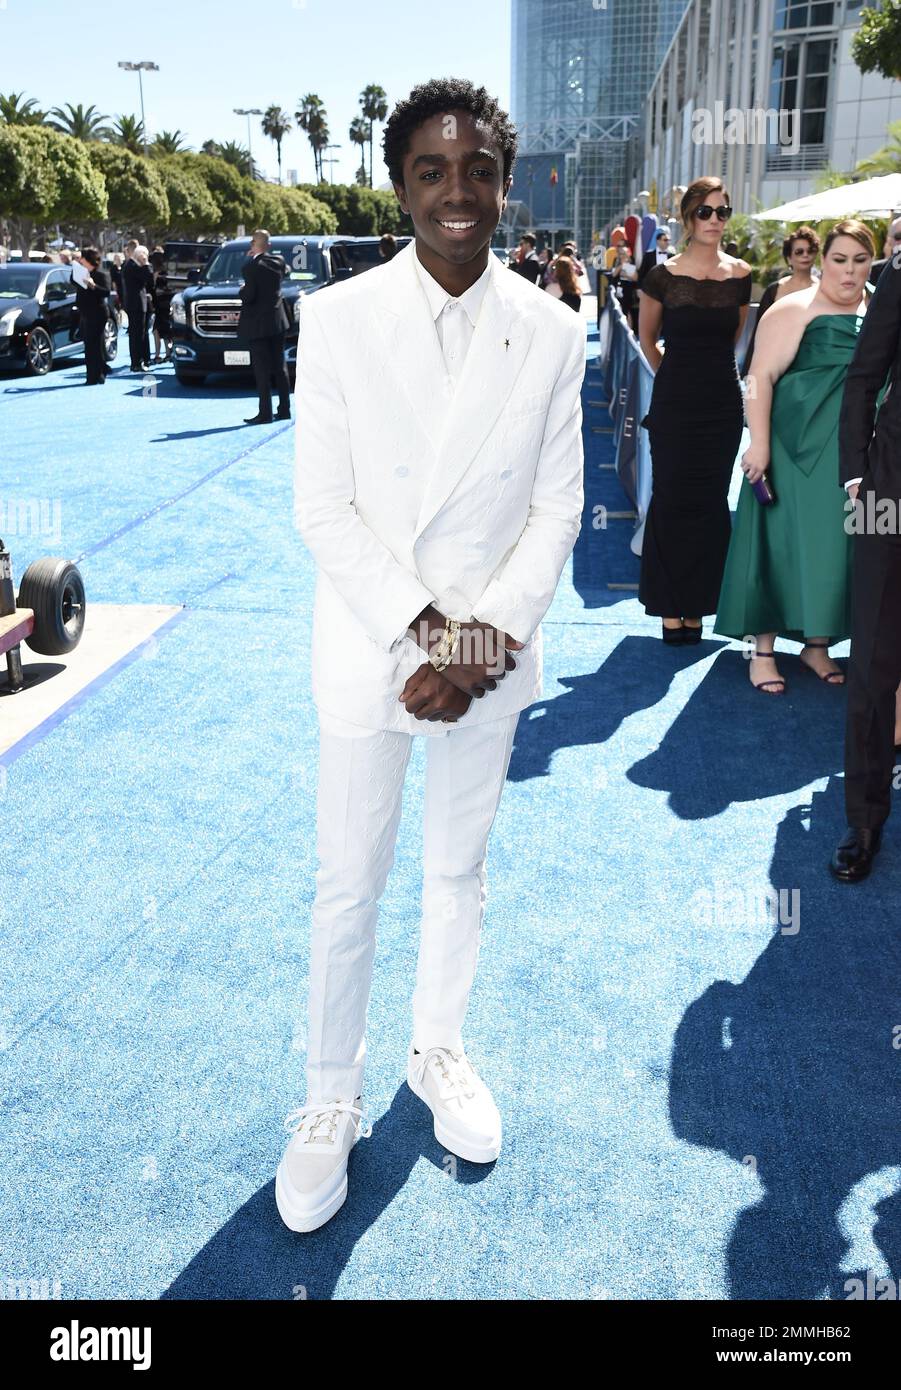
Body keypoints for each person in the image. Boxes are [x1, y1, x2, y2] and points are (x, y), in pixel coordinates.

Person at [281, 76, 584, 1233]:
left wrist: (477, 648)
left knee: (459, 874)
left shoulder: (554, 331)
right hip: (374, 654)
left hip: (489, 663)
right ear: (400, 184)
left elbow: (556, 511)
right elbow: (324, 511)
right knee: (346, 885)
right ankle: (327, 1095)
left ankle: (437, 1047)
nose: (456, 193)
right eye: (430, 171)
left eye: (477, 171)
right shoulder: (337, 319)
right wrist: (427, 635)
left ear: (506, 184)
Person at [715, 220, 875, 692]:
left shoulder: (877, 309)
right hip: (792, 449)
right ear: (822, 259)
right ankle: (761, 652)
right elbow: (759, 378)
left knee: (832, 549)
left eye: (860, 261)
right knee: (778, 544)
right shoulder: (792, 309)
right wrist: (759, 444)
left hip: (849, 455)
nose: (849, 272)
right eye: (839, 260)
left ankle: (816, 645)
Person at [637, 176, 751, 644]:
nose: (715, 220)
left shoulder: (741, 274)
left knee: (709, 503)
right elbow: (647, 340)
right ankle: (669, 606)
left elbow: (736, 341)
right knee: (671, 498)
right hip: (675, 403)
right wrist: (676, 378)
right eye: (705, 211)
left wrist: (711, 382)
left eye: (722, 211)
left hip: (723, 405)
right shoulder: (662, 275)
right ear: (687, 218)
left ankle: (699, 604)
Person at [831, 248, 901, 880]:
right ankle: (864, 819)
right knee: (873, 662)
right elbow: (863, 377)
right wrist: (856, 478)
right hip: (887, 497)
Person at [740, 226, 819, 378]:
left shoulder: (823, 289)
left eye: (810, 250)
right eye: (799, 251)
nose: (805, 255)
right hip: (776, 365)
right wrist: (749, 377)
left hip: (811, 365)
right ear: (789, 258)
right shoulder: (774, 290)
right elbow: (759, 334)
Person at [237, 228, 291, 425]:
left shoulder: (250, 268)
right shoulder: (279, 262)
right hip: (278, 321)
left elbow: (249, 295)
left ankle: (265, 413)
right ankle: (284, 409)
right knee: (280, 367)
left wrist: (241, 291)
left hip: (258, 325)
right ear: (268, 244)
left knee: (261, 370)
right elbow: (285, 272)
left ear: (253, 244)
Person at [74, 247, 112, 385]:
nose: (81, 260)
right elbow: (72, 280)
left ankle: (97, 374)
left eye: (83, 258)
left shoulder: (101, 274)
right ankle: (94, 374)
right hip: (85, 312)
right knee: (89, 344)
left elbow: (106, 292)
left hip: (98, 312)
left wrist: (93, 286)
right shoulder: (81, 272)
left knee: (94, 344)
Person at [122, 244, 154, 371]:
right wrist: (145, 263)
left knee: (141, 333)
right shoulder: (131, 266)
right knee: (136, 334)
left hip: (139, 304)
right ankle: (137, 362)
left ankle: (143, 359)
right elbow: (147, 276)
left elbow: (150, 281)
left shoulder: (133, 266)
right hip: (135, 304)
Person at [149, 248, 173, 362]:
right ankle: (159, 354)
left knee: (164, 330)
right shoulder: (155, 272)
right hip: (159, 305)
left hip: (165, 305)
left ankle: (167, 353)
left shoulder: (165, 273)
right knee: (157, 330)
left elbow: (166, 288)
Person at [609, 244, 639, 331]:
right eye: (620, 253)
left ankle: (629, 330)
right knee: (618, 309)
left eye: (623, 253)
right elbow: (614, 274)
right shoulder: (616, 262)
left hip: (627, 290)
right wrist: (621, 265)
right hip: (617, 288)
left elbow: (635, 278)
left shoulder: (631, 263)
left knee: (627, 310)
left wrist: (626, 274)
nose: (621, 255)